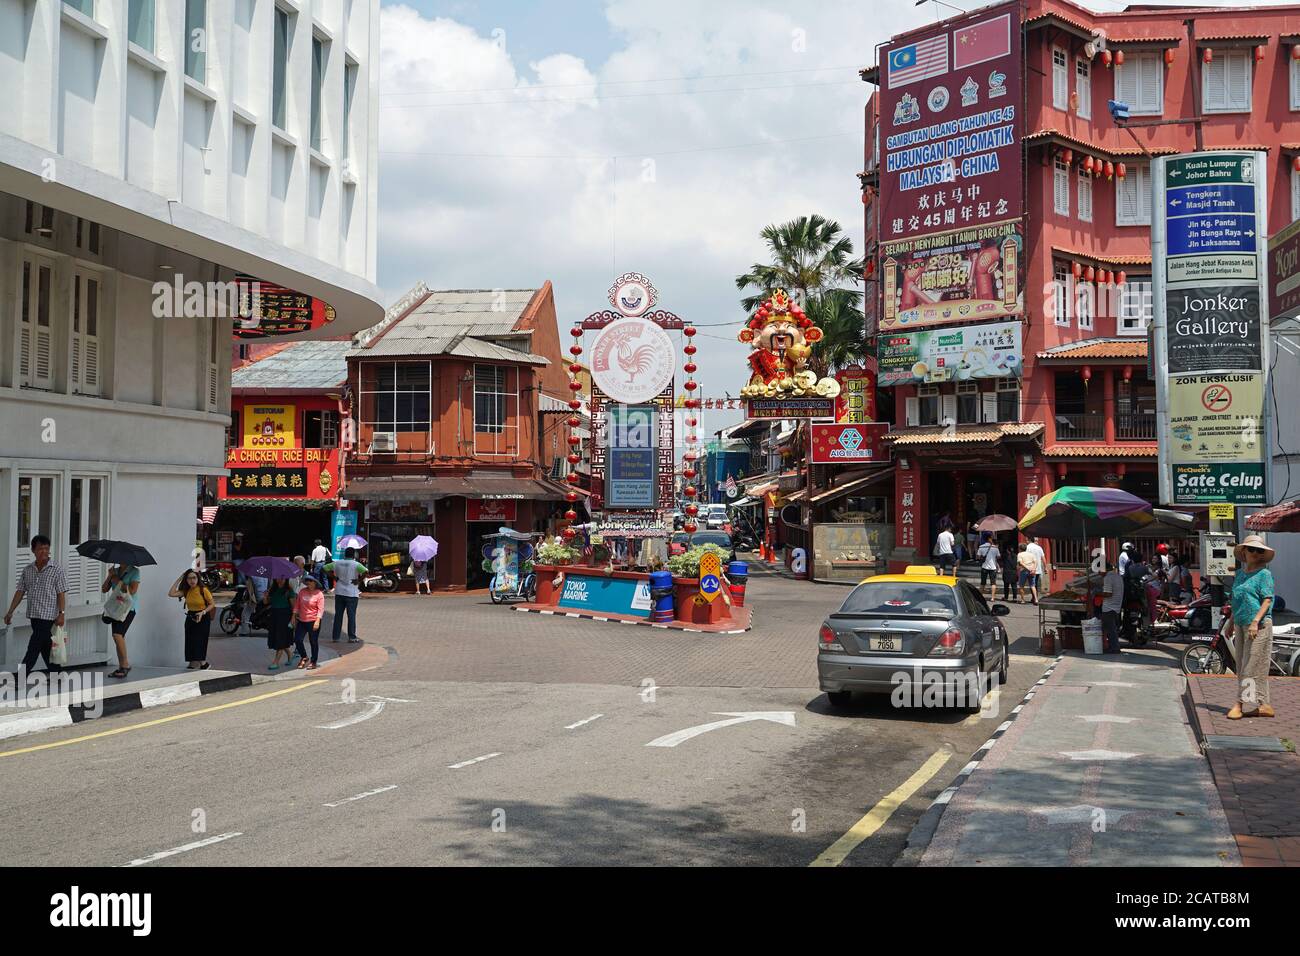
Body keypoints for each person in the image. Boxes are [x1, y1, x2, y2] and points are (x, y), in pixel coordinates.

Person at [1225, 535, 1276, 720]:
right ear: (1243, 552)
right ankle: (1264, 705)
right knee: (1243, 665)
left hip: (1259, 625)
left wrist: (1255, 621)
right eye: (1251, 549)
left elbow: (1267, 599)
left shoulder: (1264, 574)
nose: (1255, 553)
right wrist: (1231, 622)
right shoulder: (1239, 575)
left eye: (1259, 550)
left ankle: (1240, 703)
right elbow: (1236, 601)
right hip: (1240, 623)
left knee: (1250, 666)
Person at [3, 535, 67, 676]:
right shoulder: (28, 570)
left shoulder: (57, 570)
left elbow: (61, 593)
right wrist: (10, 611)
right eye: (40, 548)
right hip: (34, 615)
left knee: (33, 646)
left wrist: (61, 613)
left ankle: (21, 676)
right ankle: (57, 674)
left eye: (46, 548)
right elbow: (20, 591)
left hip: (48, 616)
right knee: (45, 646)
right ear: (33, 550)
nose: (44, 551)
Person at [101, 562, 141, 679]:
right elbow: (104, 589)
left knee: (118, 635)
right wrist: (110, 575)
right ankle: (121, 666)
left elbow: (132, 590)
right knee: (117, 636)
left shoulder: (135, 571)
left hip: (128, 608)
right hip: (116, 608)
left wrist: (117, 579)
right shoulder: (115, 571)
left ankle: (125, 665)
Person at [169, 569, 215, 670]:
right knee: (190, 641)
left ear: (198, 578)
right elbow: (171, 593)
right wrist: (180, 578)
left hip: (203, 616)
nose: (192, 580)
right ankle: (193, 663)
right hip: (191, 617)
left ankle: (203, 663)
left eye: (194, 578)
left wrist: (203, 612)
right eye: (189, 578)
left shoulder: (203, 590)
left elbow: (212, 604)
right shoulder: (186, 591)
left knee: (200, 640)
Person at [324, 547, 367, 643]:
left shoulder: (337, 563)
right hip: (352, 593)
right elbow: (366, 571)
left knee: (338, 615)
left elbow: (325, 568)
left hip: (339, 592)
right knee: (351, 616)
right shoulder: (356, 564)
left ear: (345, 554)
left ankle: (336, 637)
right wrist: (359, 580)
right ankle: (352, 637)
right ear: (354, 555)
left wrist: (334, 577)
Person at [291, 574, 325, 670]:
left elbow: (320, 609)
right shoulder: (302, 592)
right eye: (307, 581)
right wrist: (293, 616)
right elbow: (297, 605)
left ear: (314, 583)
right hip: (302, 620)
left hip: (313, 621)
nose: (308, 583)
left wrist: (317, 621)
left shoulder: (319, 594)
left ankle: (313, 661)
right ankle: (304, 657)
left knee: (313, 641)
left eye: (310, 581)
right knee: (297, 639)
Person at [265, 577, 295, 670]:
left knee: (280, 638)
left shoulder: (289, 590)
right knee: (277, 638)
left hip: (285, 616)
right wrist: (265, 596)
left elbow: (294, 607)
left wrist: (293, 618)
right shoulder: (272, 589)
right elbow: (266, 602)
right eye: (278, 578)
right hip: (274, 616)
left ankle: (276, 662)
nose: (280, 580)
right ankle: (290, 655)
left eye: (282, 578)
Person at [1100, 560, 1125, 654]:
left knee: (1111, 630)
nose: (1099, 573)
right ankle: (1112, 646)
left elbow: (1108, 593)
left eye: (1099, 571)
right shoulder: (1118, 576)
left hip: (1109, 607)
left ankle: (1114, 648)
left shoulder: (1108, 578)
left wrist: (1097, 593)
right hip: (1116, 606)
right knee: (1112, 629)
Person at [976, 532, 1000, 602]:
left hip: (984, 567)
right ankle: (992, 598)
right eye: (991, 537)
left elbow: (978, 556)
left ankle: (980, 597)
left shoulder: (981, 547)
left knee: (982, 583)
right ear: (989, 538)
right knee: (993, 583)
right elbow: (999, 557)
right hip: (993, 568)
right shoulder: (995, 548)